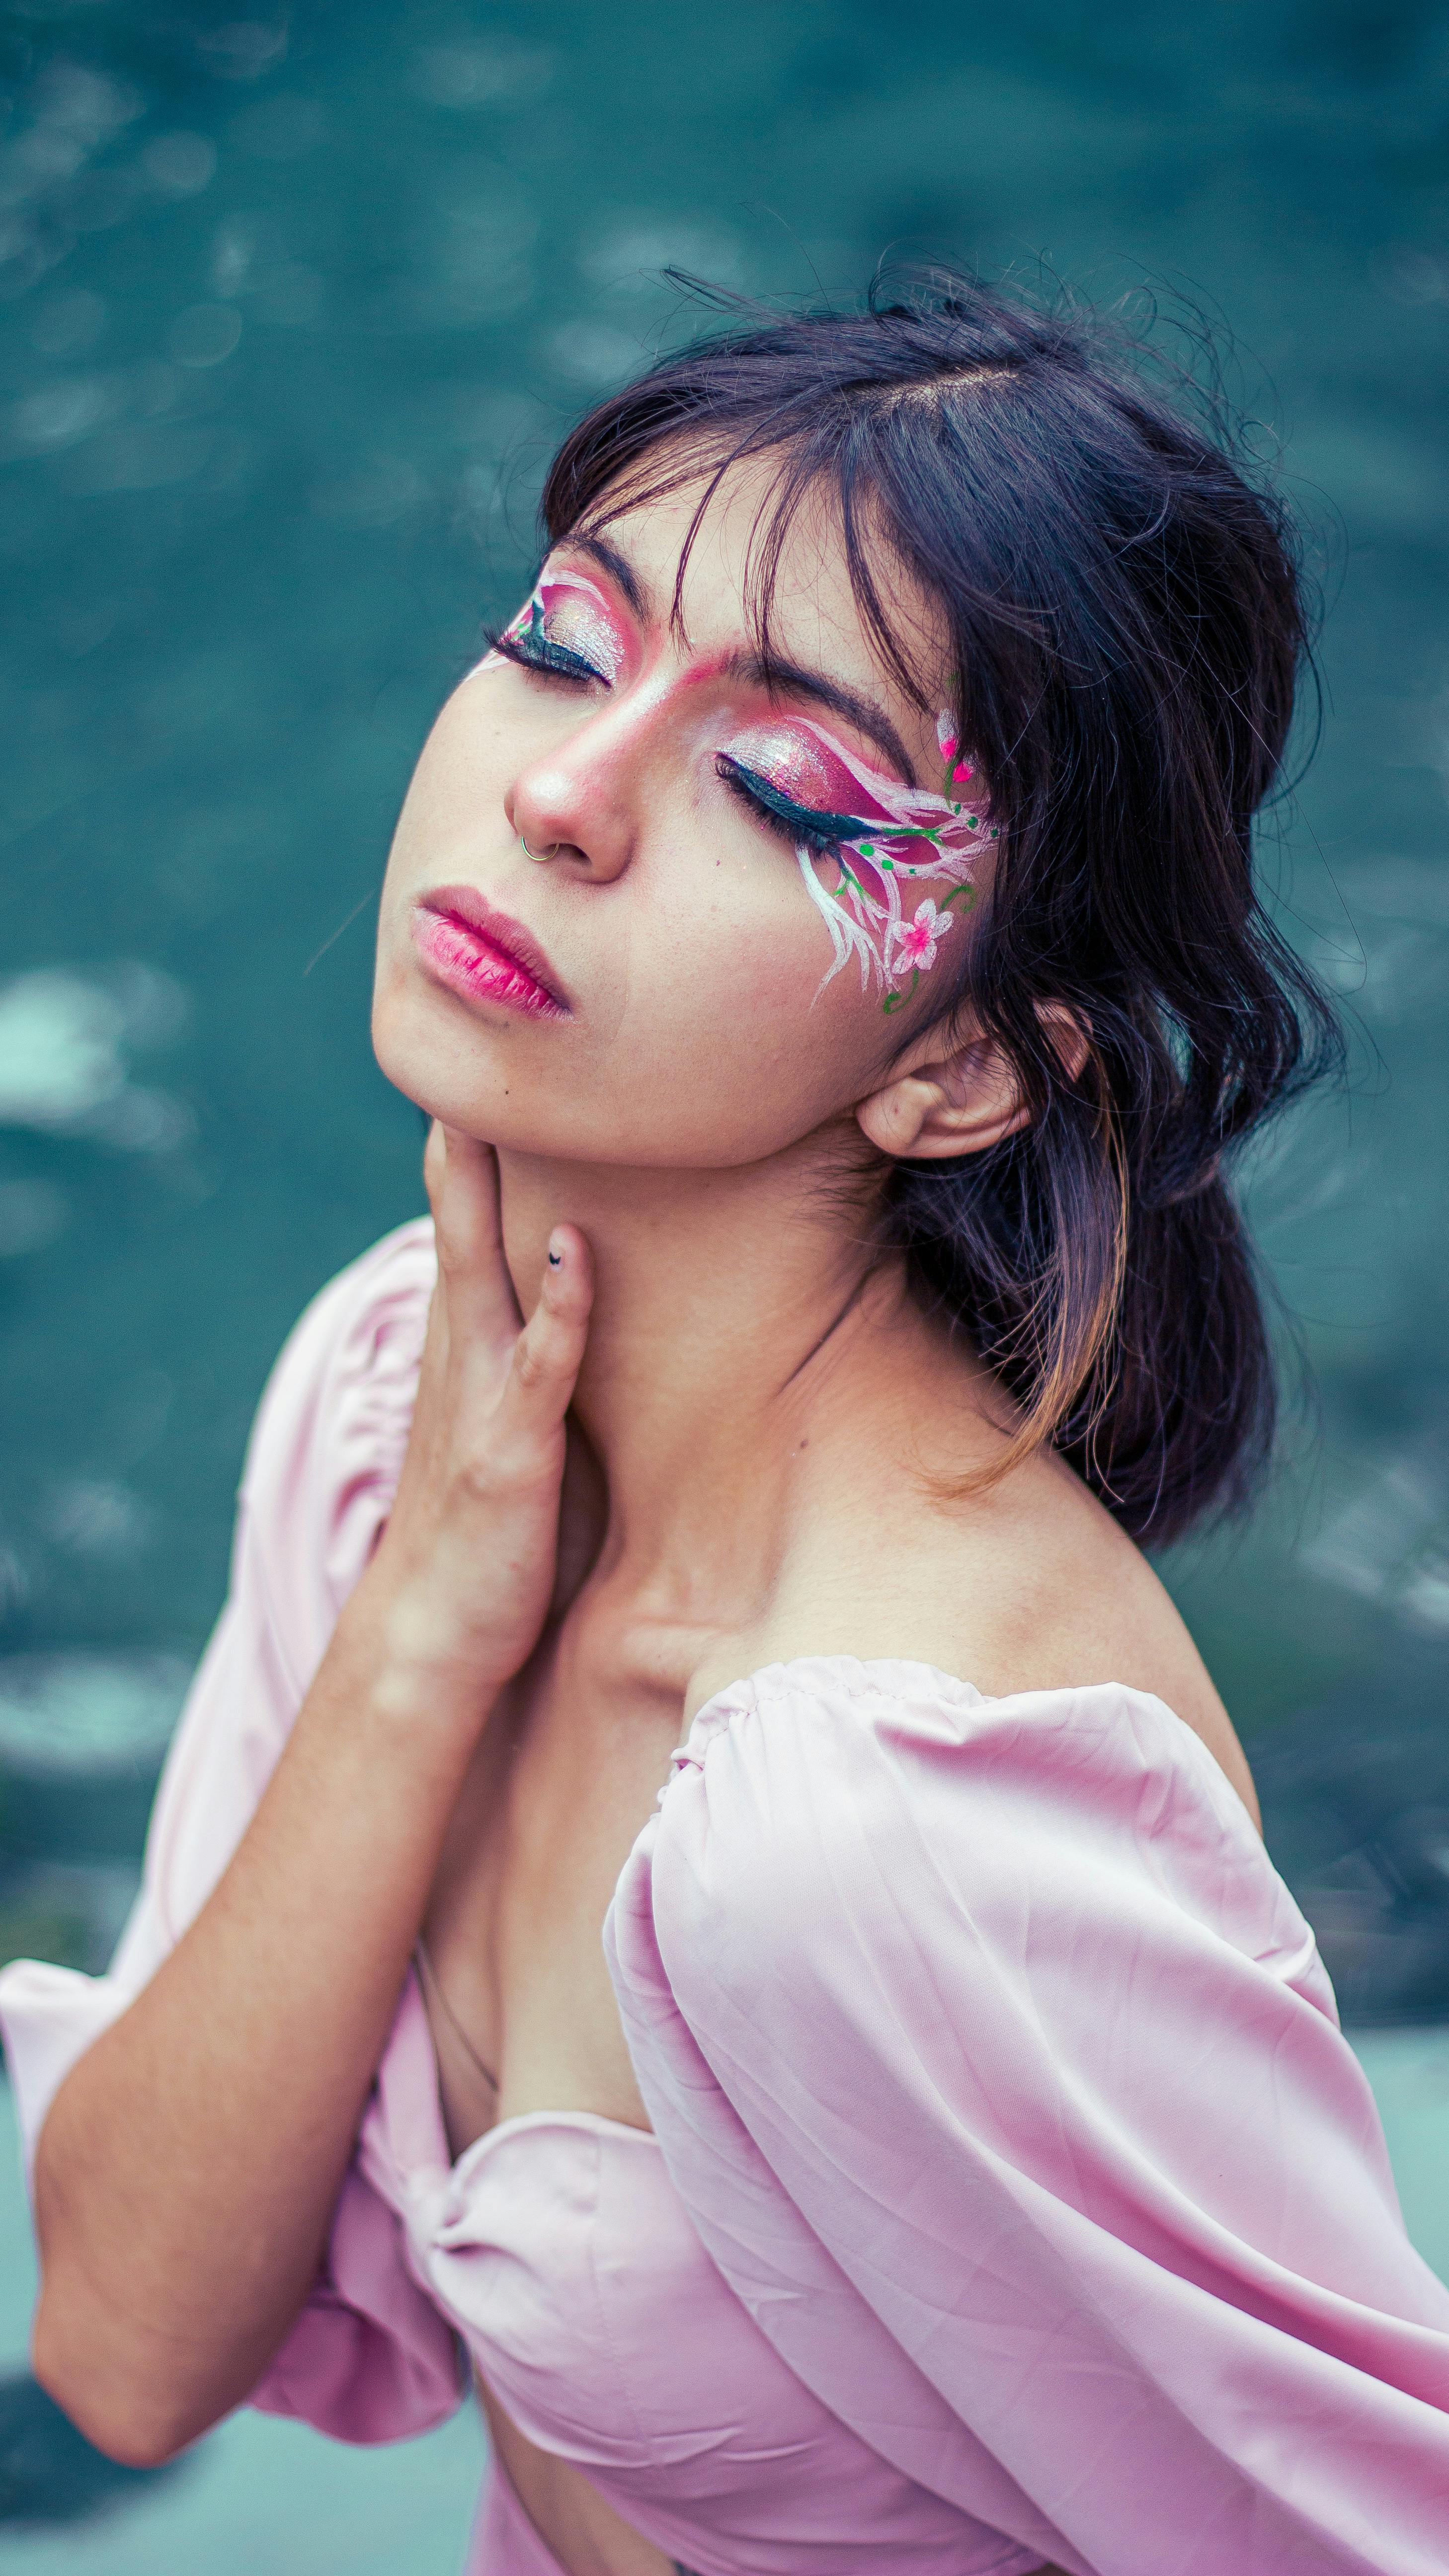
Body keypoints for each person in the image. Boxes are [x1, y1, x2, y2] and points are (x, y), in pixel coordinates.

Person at [3, 274, 1448, 2576]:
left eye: (779, 783)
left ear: (964, 1062)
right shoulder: (408, 1401)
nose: (561, 795)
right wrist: (414, 1642)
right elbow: (124, 2346)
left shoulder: (881, 1827)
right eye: (563, 643)